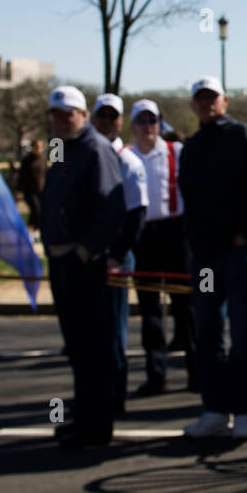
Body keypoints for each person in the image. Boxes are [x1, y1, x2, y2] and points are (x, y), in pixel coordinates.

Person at [179, 77, 247, 439]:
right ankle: (214, 409)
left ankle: (243, 413)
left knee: (240, 334)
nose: (206, 104)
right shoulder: (191, 147)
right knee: (207, 334)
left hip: (238, 253)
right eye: (200, 99)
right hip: (206, 254)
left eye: (212, 98)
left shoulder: (243, 136)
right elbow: (187, 199)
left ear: (224, 100)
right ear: (194, 104)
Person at [41, 86, 125, 449]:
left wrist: (86, 251)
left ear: (83, 115)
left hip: (82, 263)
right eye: (57, 115)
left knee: (93, 347)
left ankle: (96, 427)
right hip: (62, 259)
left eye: (69, 114)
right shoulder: (63, 148)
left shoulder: (96, 149)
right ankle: (83, 418)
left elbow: (112, 207)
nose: (62, 120)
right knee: (77, 347)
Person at [128, 98, 195, 396]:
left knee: (185, 308)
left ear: (159, 123)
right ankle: (157, 375)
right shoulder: (126, 156)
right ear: (133, 125)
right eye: (141, 121)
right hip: (143, 236)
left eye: (152, 121)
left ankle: (197, 373)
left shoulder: (176, 152)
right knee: (150, 312)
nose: (147, 127)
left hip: (174, 233)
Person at [90, 93, 147, 415]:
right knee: (92, 332)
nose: (107, 122)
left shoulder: (127, 161)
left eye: (113, 117)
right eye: (102, 116)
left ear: (120, 121)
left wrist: (116, 255)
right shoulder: (85, 156)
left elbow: (136, 215)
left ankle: (115, 396)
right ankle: (96, 394)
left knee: (114, 332)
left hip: (115, 258)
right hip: (91, 257)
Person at [17, 140, 46, 240]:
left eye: (40, 147)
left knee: (41, 212)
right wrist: (19, 190)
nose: (38, 149)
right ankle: (30, 233)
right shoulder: (27, 161)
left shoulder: (43, 160)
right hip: (29, 191)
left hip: (41, 190)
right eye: (36, 147)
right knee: (36, 210)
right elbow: (21, 177)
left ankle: (34, 233)